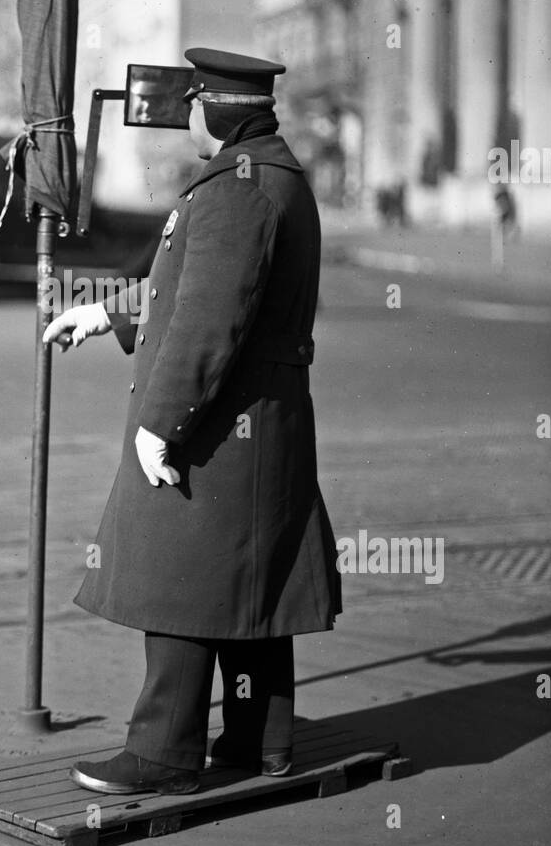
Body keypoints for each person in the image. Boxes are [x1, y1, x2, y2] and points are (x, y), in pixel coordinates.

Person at [43, 47, 341, 795]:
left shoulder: (237, 191)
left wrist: (160, 423)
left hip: (216, 424)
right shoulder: (269, 177)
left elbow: (210, 321)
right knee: (251, 585)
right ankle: (258, 742)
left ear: (219, 110)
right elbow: (188, 293)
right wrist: (108, 313)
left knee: (178, 576)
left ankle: (164, 753)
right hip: (258, 426)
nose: (189, 125)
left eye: (196, 107)